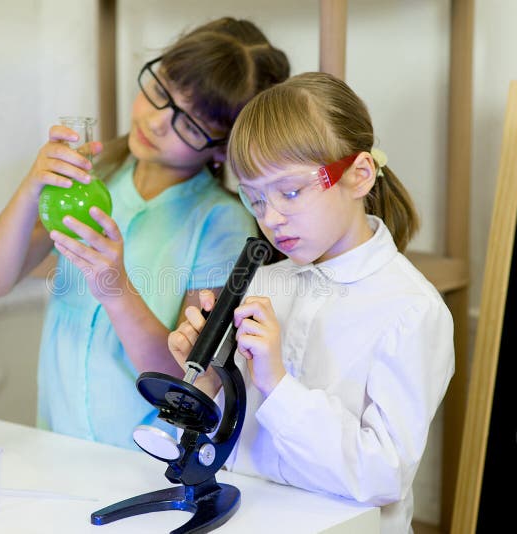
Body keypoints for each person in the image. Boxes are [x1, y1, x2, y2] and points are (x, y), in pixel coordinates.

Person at [0, 17, 290, 450]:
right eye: (159, 92)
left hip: (140, 464)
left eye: (190, 125)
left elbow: (186, 378)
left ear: (222, 146)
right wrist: (32, 187)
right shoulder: (96, 180)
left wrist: (114, 285)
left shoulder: (222, 222)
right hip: (56, 444)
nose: (158, 121)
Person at [168, 72, 454, 534]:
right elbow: (237, 453)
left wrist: (278, 385)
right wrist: (207, 386)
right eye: (255, 199)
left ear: (359, 175)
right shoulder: (264, 281)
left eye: (291, 192)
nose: (272, 218)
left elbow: (382, 475)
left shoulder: (411, 310)